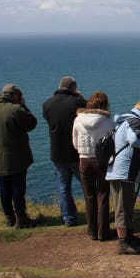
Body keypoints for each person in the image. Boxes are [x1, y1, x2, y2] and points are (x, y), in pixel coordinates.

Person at [0, 83, 39, 229]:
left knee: (4, 187)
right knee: (18, 187)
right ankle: (21, 219)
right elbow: (32, 123)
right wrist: (24, 106)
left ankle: (9, 217)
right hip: (17, 156)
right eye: (19, 96)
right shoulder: (15, 110)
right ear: (14, 96)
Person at [106, 101, 140, 255]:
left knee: (125, 205)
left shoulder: (124, 121)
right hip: (124, 170)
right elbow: (134, 140)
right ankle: (123, 242)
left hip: (118, 169)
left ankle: (129, 237)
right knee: (122, 207)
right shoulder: (134, 122)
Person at [42, 76, 87, 227]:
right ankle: (94, 214)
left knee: (63, 187)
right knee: (87, 185)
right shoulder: (77, 102)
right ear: (73, 88)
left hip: (57, 153)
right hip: (76, 152)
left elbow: (50, 121)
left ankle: (69, 218)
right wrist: (80, 97)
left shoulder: (47, 104)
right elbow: (89, 113)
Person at [72, 91, 114, 241]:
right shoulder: (107, 120)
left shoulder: (78, 120)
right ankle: (103, 232)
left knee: (89, 196)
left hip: (84, 160)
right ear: (104, 105)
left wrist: (84, 151)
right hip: (101, 161)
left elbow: (75, 143)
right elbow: (112, 142)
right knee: (102, 195)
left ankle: (92, 231)